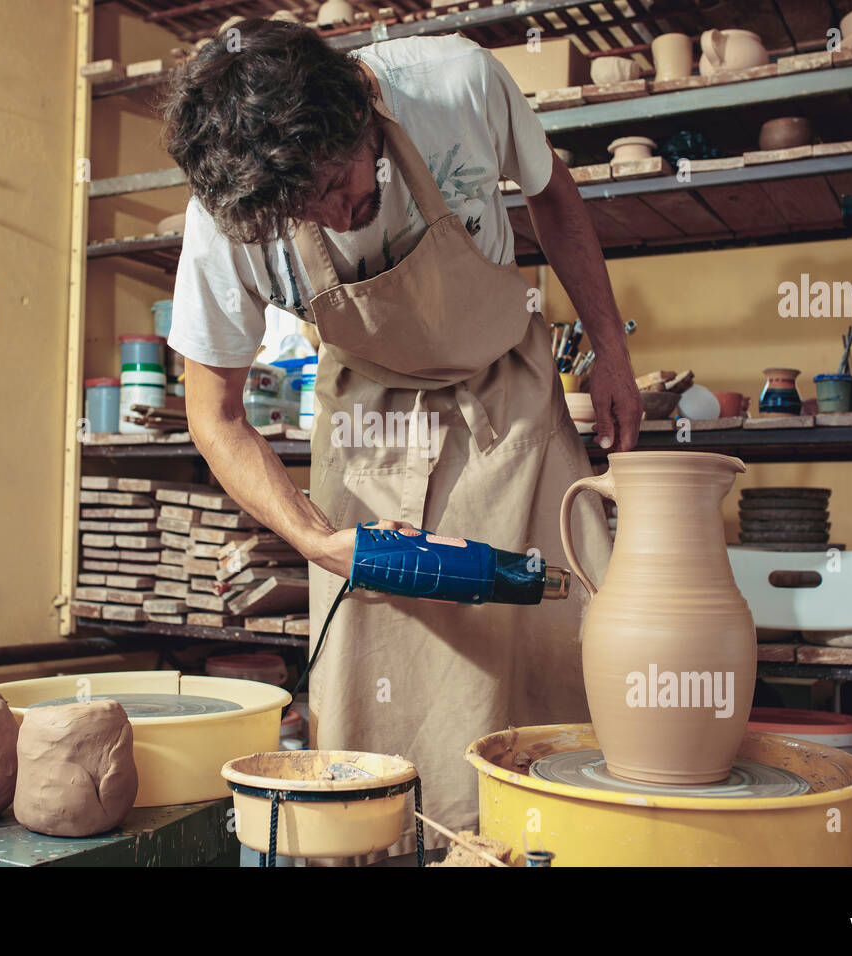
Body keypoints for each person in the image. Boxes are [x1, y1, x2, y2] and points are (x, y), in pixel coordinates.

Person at [161, 20, 639, 848]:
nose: (338, 215)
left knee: (574, 654)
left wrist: (612, 349)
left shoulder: (456, 82)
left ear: (362, 107)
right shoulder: (224, 222)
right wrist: (315, 539)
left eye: (341, 182)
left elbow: (552, 193)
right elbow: (217, 414)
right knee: (379, 704)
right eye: (307, 211)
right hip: (365, 431)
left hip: (512, 399)